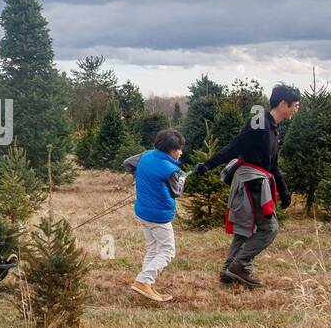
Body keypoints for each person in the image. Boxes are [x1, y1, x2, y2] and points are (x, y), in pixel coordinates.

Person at [191, 85, 300, 288]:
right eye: (295, 105)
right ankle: (240, 265)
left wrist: (284, 190)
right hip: (252, 181)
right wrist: (208, 164)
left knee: (244, 229)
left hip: (260, 179)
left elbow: (272, 164)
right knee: (269, 228)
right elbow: (235, 145)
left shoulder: (274, 129)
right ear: (283, 103)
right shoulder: (259, 123)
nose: (297, 108)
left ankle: (227, 272)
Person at [123, 129, 186, 302]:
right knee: (168, 251)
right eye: (178, 149)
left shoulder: (146, 155)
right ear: (169, 150)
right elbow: (177, 192)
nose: (181, 152)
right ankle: (143, 281)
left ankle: (145, 285)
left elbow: (128, 162)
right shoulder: (170, 169)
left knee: (153, 248)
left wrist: (137, 176)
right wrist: (182, 179)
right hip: (158, 215)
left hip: (142, 211)